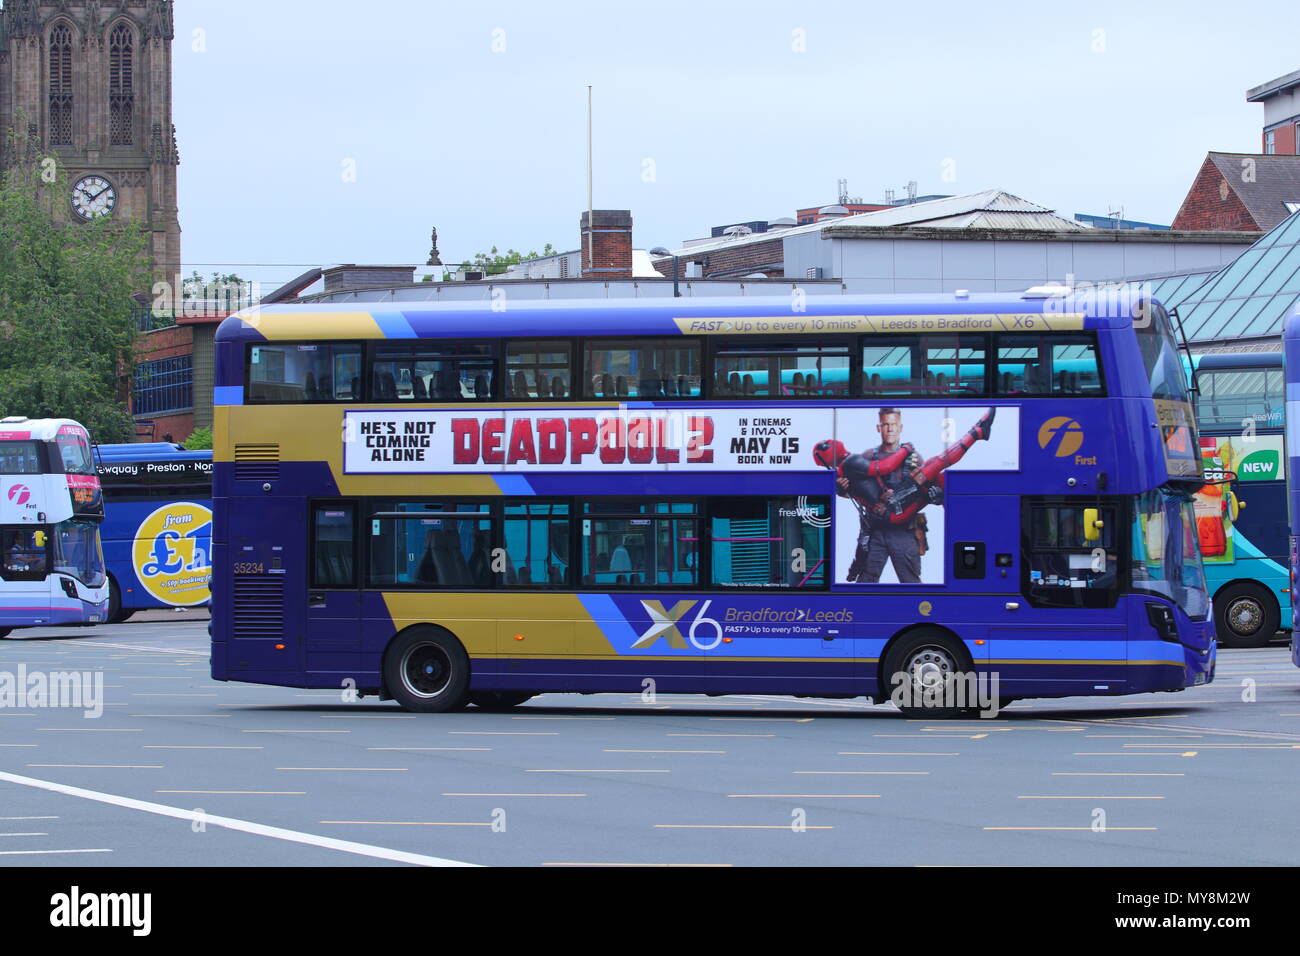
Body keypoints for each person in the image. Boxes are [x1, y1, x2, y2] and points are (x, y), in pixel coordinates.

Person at [814, 407, 996, 583]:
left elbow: (930, 487)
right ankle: (976, 433)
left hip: (903, 527)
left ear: (900, 427)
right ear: (879, 428)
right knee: (867, 580)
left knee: (910, 581)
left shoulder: (913, 457)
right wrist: (843, 491)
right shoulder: (866, 456)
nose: (890, 429)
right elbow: (859, 492)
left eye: (893, 424)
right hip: (878, 525)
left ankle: (977, 433)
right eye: (885, 424)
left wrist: (938, 497)